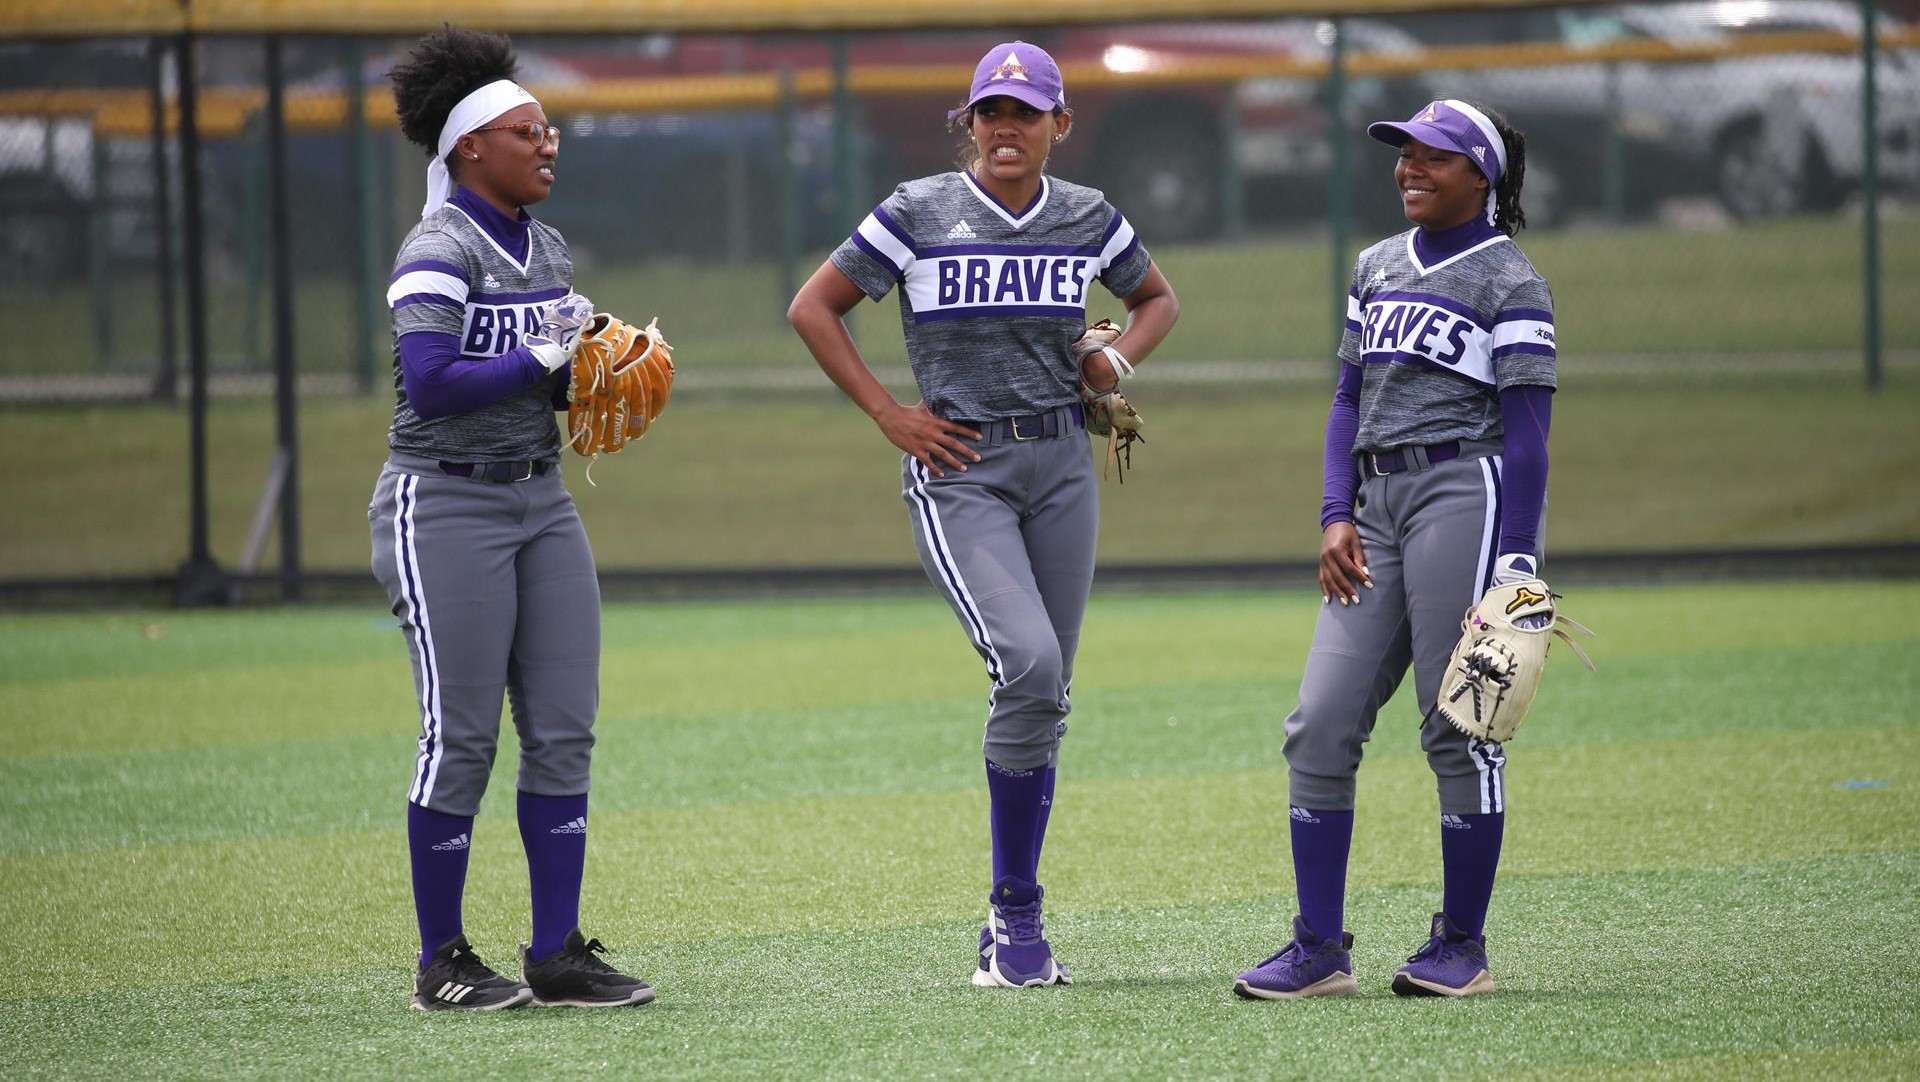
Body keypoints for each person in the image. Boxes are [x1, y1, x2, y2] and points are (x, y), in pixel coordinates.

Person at [788, 41, 1179, 989]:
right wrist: (889, 414)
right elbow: (814, 307)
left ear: (1060, 125)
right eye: (991, 114)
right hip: (961, 464)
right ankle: (1015, 917)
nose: (1007, 128)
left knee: (1048, 695)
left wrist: (1116, 359)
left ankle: (1014, 919)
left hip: (1061, 464)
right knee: (1031, 664)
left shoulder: (1087, 214)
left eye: (1026, 113)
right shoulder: (918, 211)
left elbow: (1156, 299)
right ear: (969, 124)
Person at [1232, 99, 1555, 1000]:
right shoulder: (1376, 264)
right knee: (1320, 724)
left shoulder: (1512, 282)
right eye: (1405, 154)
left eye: (1434, 157)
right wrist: (1335, 512)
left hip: (1466, 489)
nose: (1411, 167)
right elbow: (1346, 400)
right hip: (1376, 503)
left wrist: (1518, 561)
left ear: (1481, 176)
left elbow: (1528, 435)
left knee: (1459, 721)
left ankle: (1462, 946)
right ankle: (1319, 950)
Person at [370, 26, 652, 1011]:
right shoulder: (437, 246)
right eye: (529, 129)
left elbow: (549, 380)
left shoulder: (547, 247)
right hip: (443, 497)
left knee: (565, 727)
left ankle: (555, 950)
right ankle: (440, 958)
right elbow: (432, 383)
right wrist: (545, 358)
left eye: (551, 128)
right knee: (463, 736)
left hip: (539, 496)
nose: (551, 142)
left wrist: (603, 374)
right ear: (471, 149)